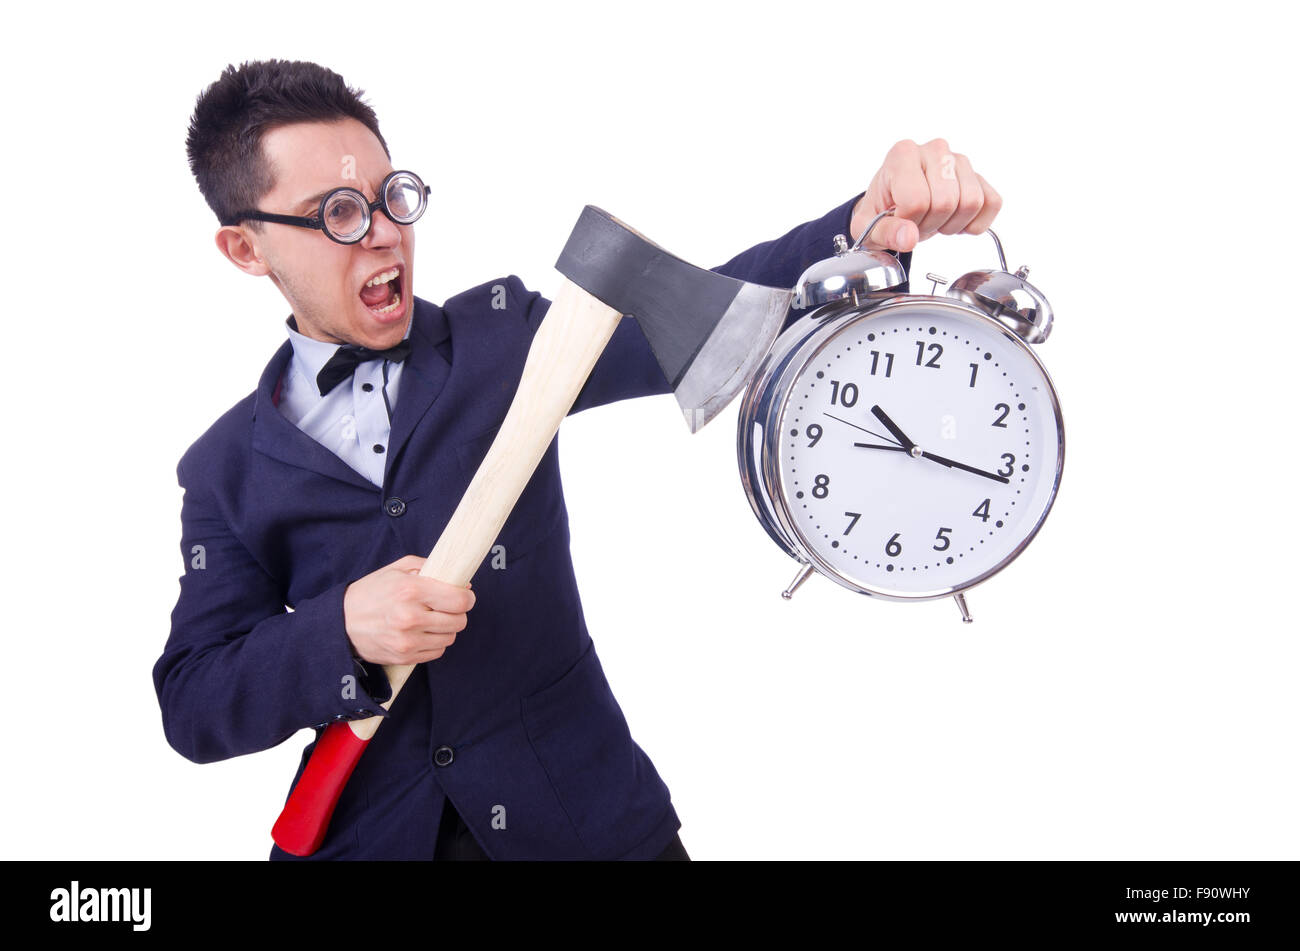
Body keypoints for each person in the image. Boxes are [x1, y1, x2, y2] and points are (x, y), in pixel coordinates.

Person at [153, 59, 1002, 860]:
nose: (383, 235)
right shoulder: (222, 469)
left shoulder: (509, 340)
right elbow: (193, 702)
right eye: (338, 212)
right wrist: (340, 632)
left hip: (587, 824)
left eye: (392, 197)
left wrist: (861, 225)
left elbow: (705, 315)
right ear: (246, 249)